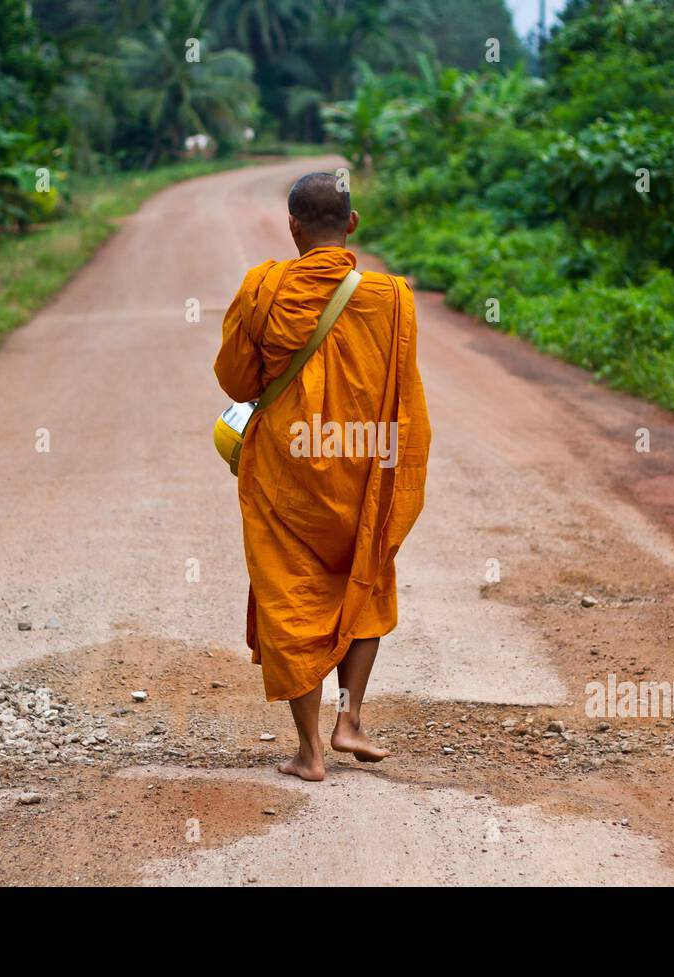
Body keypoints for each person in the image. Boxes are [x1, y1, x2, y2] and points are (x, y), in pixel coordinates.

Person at [214, 171, 431, 781]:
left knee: (291, 594)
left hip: (284, 468)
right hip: (361, 467)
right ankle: (351, 718)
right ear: (353, 225)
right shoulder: (392, 298)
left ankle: (309, 752)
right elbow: (403, 398)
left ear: (293, 227)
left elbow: (237, 382)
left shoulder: (263, 287)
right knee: (366, 574)